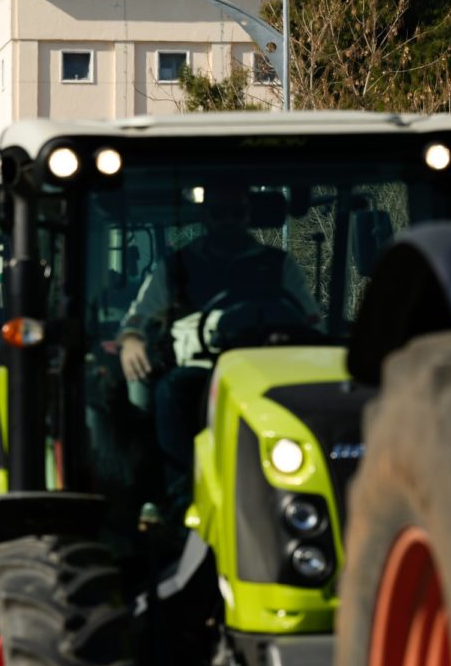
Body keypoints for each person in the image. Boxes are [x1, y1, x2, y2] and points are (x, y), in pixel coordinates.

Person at [117, 186, 320, 512]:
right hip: (200, 370)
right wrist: (131, 340)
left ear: (248, 216)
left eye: (236, 212)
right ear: (205, 216)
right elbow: (137, 318)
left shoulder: (279, 264)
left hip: (269, 368)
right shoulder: (176, 267)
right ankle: (183, 492)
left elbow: (311, 322)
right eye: (219, 213)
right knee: (170, 391)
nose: (228, 221)